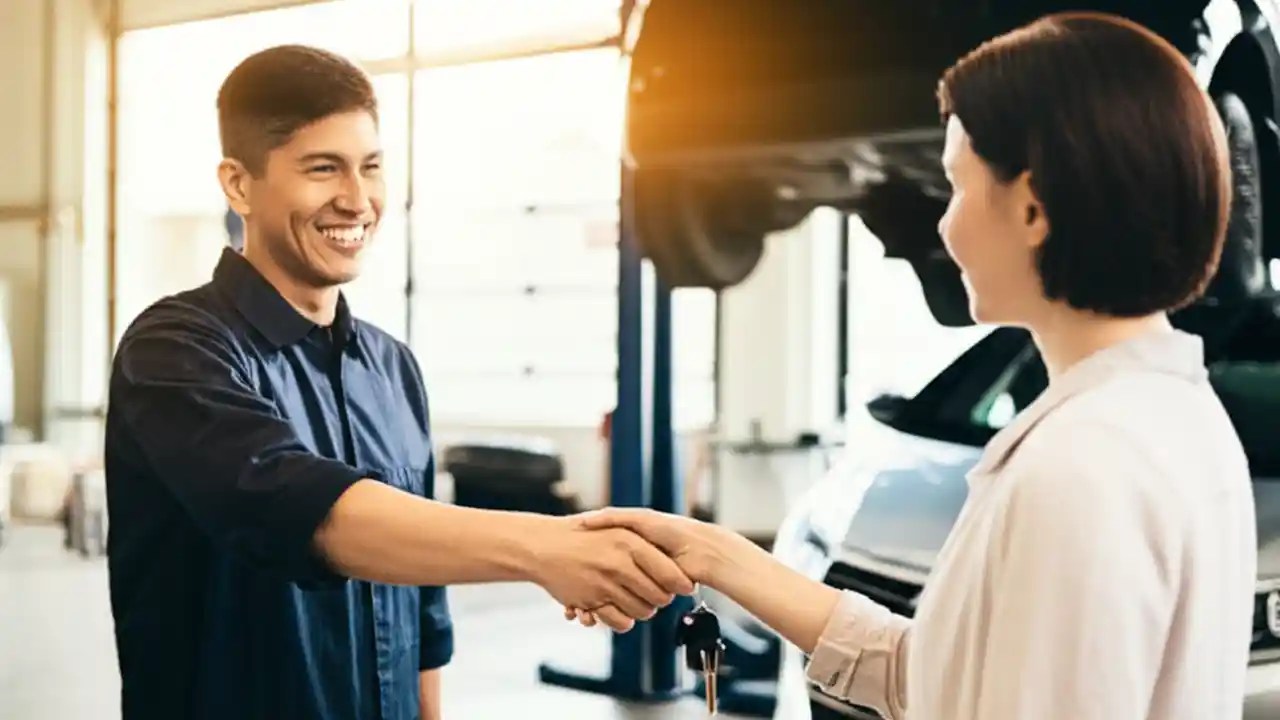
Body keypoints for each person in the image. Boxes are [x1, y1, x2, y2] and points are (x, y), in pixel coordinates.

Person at [570, 12, 1257, 720]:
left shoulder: (1081, 468)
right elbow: (940, 675)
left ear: (1030, 210)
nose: (942, 223)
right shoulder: (1174, 418)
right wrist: (719, 557)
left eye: (957, 185)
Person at [104, 45, 692, 720]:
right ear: (239, 185)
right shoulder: (176, 350)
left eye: (371, 167)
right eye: (322, 169)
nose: (357, 200)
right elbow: (306, 514)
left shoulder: (392, 367)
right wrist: (544, 548)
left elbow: (423, 617)